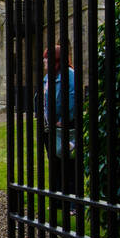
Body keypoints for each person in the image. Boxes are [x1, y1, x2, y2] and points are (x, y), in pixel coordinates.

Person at [42, 45, 76, 194]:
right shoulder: (49, 76)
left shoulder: (69, 74)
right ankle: (56, 198)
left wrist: (64, 119)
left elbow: (73, 96)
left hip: (64, 127)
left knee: (68, 163)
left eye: (46, 58)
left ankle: (73, 203)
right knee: (54, 163)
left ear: (55, 59)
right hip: (49, 126)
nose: (44, 61)